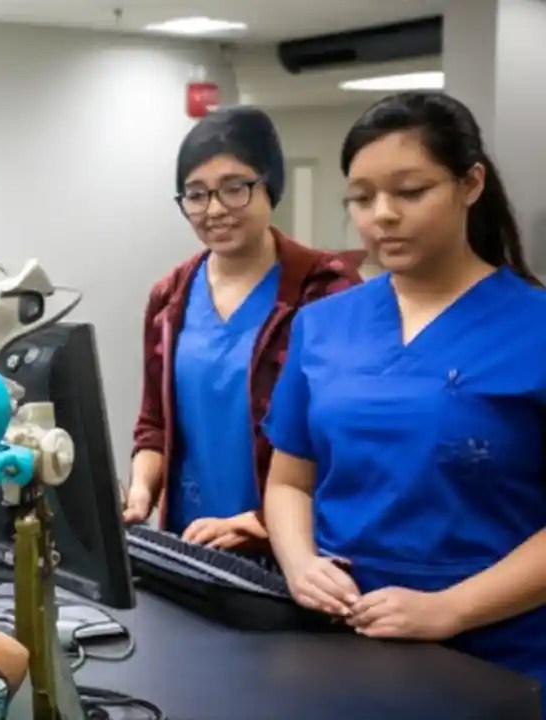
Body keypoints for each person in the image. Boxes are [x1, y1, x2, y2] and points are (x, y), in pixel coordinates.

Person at [263, 90, 546, 712]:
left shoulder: (535, 327)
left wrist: (451, 609)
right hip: (341, 644)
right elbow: (290, 482)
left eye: (410, 192)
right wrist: (300, 562)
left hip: (495, 661)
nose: (381, 215)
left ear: (471, 183)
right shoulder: (324, 324)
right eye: (361, 199)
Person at [124, 106, 360, 550]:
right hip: (189, 542)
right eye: (195, 194)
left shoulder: (326, 290)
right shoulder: (169, 297)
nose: (214, 210)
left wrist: (263, 521)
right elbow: (154, 424)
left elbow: (349, 442)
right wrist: (140, 491)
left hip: (291, 549)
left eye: (235, 189)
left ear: (270, 186)